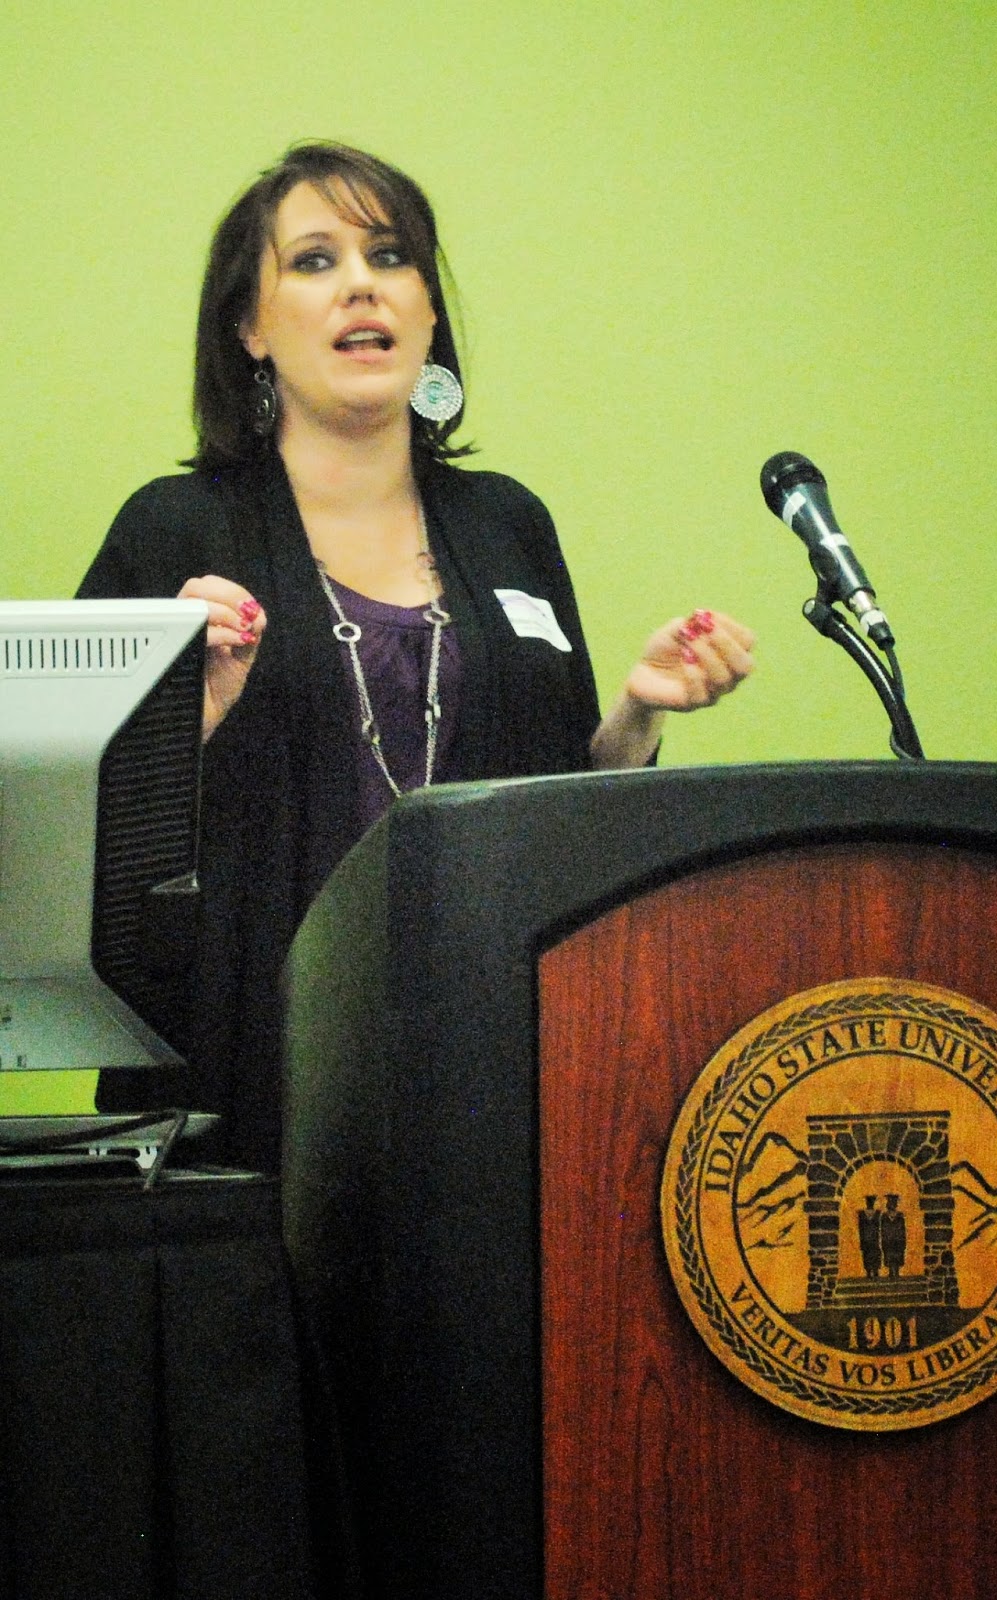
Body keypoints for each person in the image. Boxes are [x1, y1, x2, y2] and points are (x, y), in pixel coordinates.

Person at [78, 141, 754, 1171]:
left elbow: (569, 820)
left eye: (391, 257)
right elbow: (64, 834)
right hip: (250, 1070)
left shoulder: (506, 524)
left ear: (428, 315)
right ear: (250, 329)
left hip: (488, 1061)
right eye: (313, 261)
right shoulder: (175, 532)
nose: (361, 283)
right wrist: (186, 716)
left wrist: (637, 714)